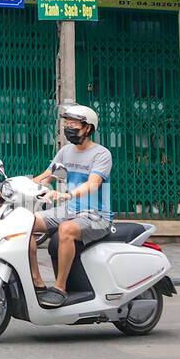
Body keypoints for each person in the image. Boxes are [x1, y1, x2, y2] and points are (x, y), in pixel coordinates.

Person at [27, 105, 113, 308]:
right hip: (69, 210)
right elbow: (46, 177)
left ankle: (60, 288)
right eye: (66, 124)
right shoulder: (66, 152)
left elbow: (93, 184)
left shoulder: (101, 154)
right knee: (25, 224)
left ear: (88, 128)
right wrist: (13, 188)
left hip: (96, 215)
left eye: (73, 124)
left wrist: (66, 195)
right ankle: (37, 282)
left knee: (66, 229)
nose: (68, 128)